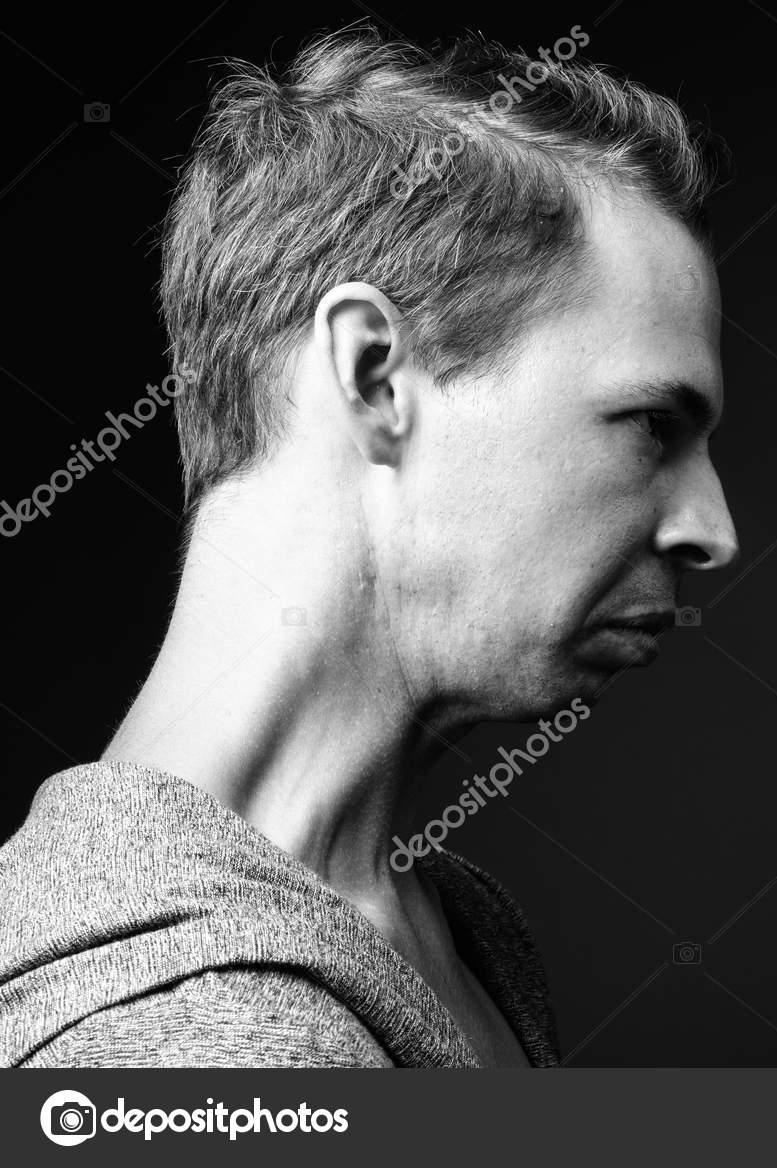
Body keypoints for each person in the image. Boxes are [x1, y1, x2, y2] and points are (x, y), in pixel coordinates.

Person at [0, 26, 738, 1068]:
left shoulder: (449, 939)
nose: (710, 529)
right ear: (376, 375)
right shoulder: (194, 1051)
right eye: (651, 425)